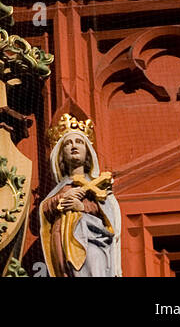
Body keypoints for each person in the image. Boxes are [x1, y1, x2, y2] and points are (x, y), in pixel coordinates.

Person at [38, 117, 122, 277]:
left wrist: (81, 207)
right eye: (68, 143)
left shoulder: (98, 185)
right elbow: (45, 210)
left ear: (88, 153)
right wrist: (62, 197)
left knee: (94, 260)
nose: (74, 146)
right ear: (61, 154)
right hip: (61, 238)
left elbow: (109, 215)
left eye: (79, 142)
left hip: (92, 237)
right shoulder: (60, 189)